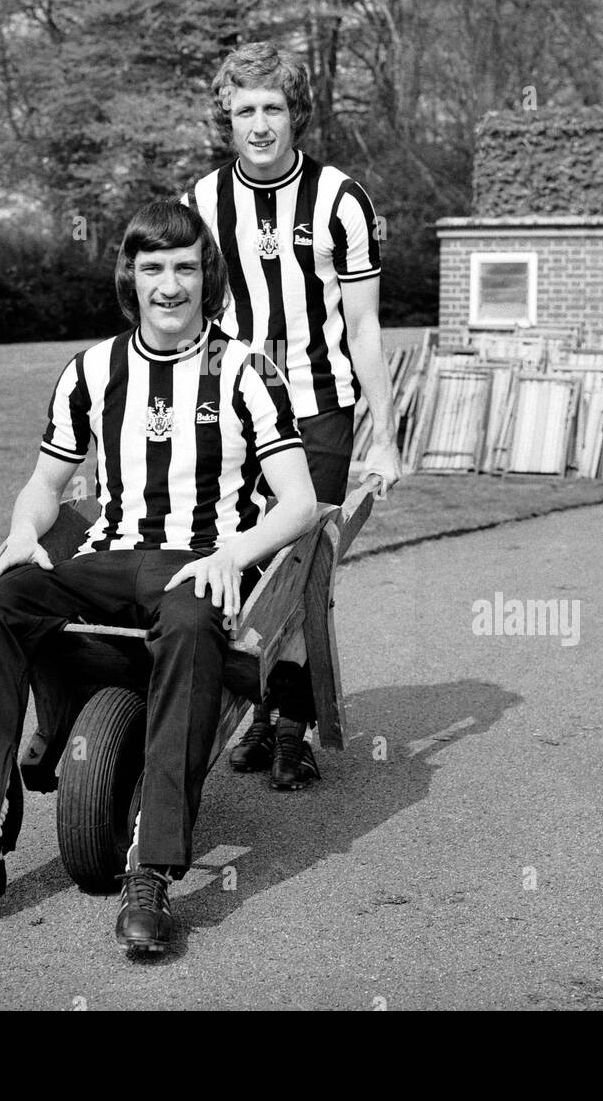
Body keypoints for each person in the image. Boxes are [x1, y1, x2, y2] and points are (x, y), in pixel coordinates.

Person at [0, 200, 317, 953]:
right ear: (132, 278)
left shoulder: (247, 370)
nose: (170, 286)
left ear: (206, 277)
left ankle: (152, 869)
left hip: (200, 561)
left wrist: (233, 558)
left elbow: (302, 503)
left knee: (187, 619)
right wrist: (24, 531)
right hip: (107, 559)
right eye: (154, 269)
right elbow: (47, 483)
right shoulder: (93, 369)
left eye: (185, 268)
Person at [184, 41, 402, 790]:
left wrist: (388, 437)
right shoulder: (203, 203)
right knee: (238, 557)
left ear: (296, 115)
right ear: (227, 118)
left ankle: (288, 727)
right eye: (244, 110)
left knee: (304, 565)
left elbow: (367, 329)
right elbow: (190, 322)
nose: (259, 124)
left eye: (272, 108)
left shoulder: (343, 199)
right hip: (237, 414)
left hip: (319, 411)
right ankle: (253, 706)